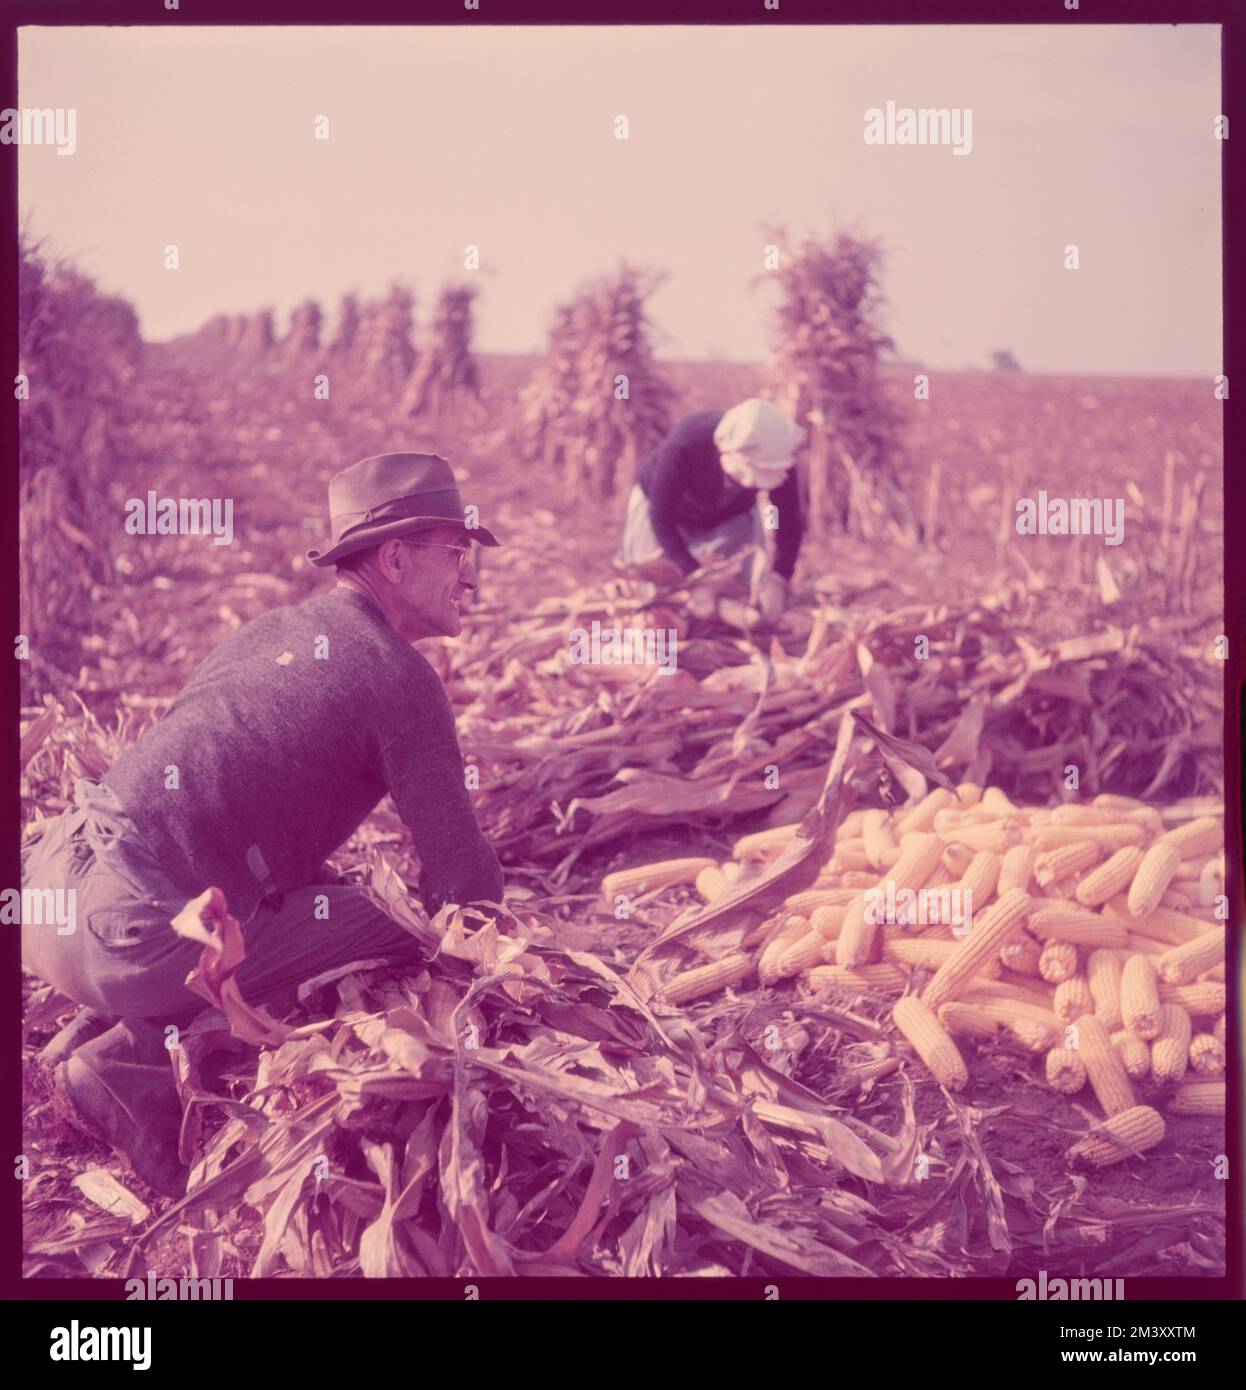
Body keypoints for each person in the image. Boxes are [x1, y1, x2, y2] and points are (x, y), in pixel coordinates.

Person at [21, 452, 503, 1197]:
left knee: (291, 901)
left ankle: (93, 1031)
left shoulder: (268, 631)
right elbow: (462, 886)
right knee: (396, 928)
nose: (471, 578)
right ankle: (133, 1072)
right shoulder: (401, 680)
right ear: (397, 559)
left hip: (56, 897)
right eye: (457, 553)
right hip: (131, 932)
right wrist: (507, 967)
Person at [617, 398, 806, 603]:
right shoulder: (688, 440)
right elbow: (661, 517)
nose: (750, 485)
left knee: (737, 590)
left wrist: (780, 575)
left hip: (728, 515)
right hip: (664, 511)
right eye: (745, 476)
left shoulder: (779, 458)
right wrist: (694, 573)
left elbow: (786, 520)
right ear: (728, 454)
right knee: (646, 586)